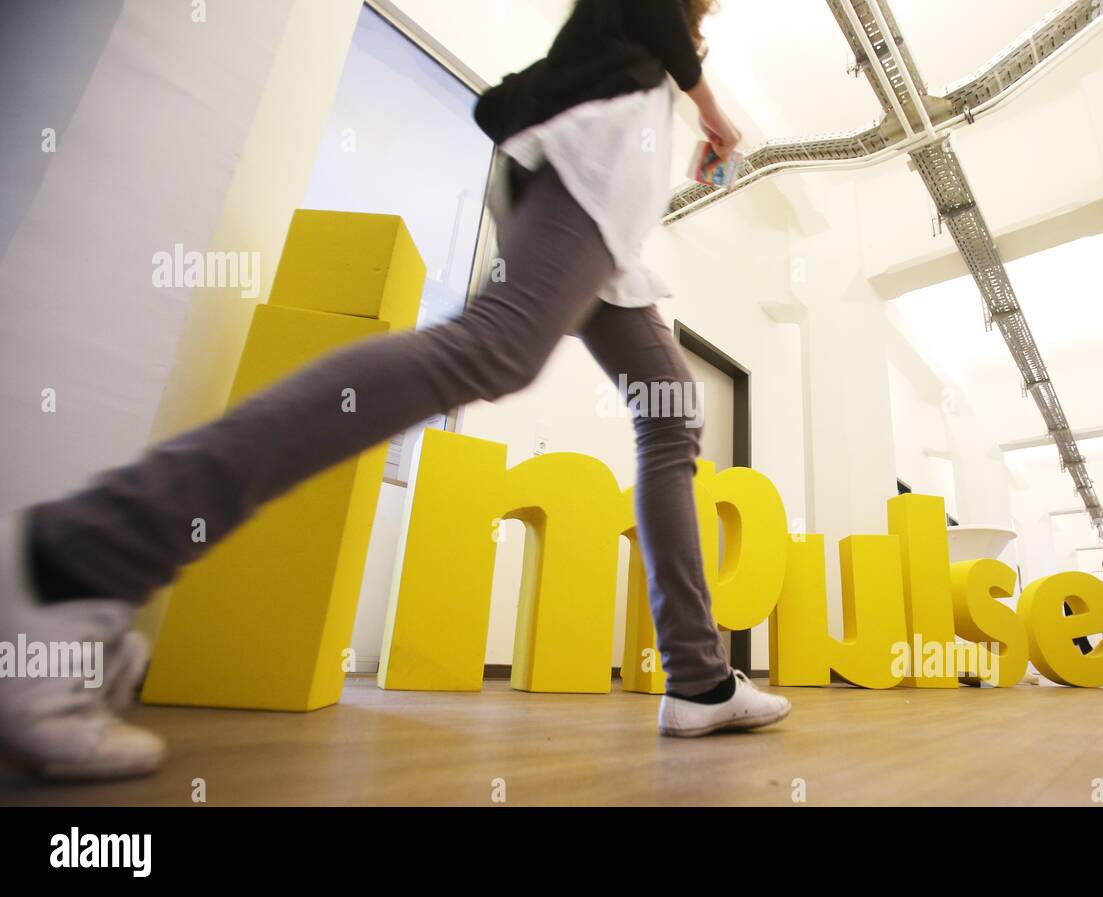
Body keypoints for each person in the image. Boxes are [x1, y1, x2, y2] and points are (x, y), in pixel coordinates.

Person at [0, 0, 791, 782]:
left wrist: (686, 113)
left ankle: (698, 677)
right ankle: (81, 553)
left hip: (608, 230)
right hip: (577, 183)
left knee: (671, 409)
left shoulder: (659, 46)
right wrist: (711, 107)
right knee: (492, 351)